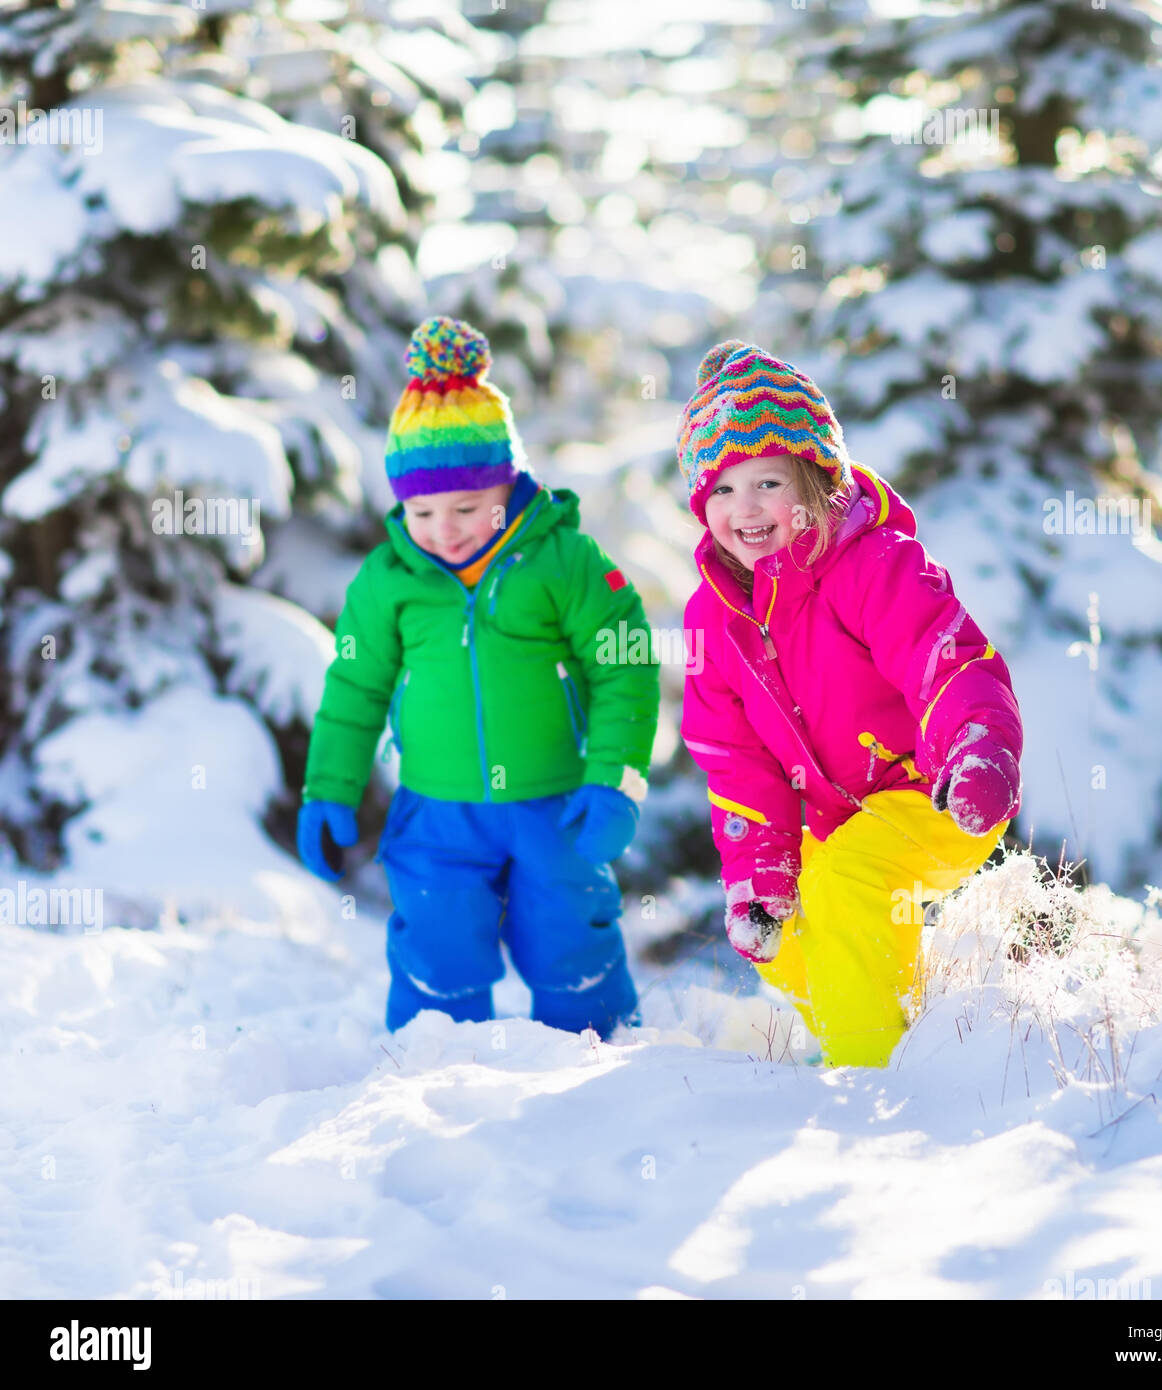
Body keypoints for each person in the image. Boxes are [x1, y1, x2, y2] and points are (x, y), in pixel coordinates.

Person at [297, 315, 660, 1038]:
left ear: (508, 481)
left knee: (571, 944)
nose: (445, 528)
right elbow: (354, 689)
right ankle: (438, 1076)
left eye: (467, 507)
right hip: (436, 813)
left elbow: (626, 668)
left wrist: (615, 780)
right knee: (436, 946)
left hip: (556, 805)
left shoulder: (566, 560)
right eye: (422, 509)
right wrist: (330, 785)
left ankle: (601, 1073)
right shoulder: (388, 580)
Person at [677, 339, 1023, 1067]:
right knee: (782, 933)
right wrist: (760, 873)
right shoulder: (712, 619)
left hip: (931, 789)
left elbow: (944, 657)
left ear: (812, 481)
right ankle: (896, 1031)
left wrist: (975, 747)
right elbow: (732, 759)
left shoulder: (874, 565)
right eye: (723, 491)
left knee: (846, 882)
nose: (746, 509)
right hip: (837, 819)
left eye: (767, 482)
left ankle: (871, 1084)